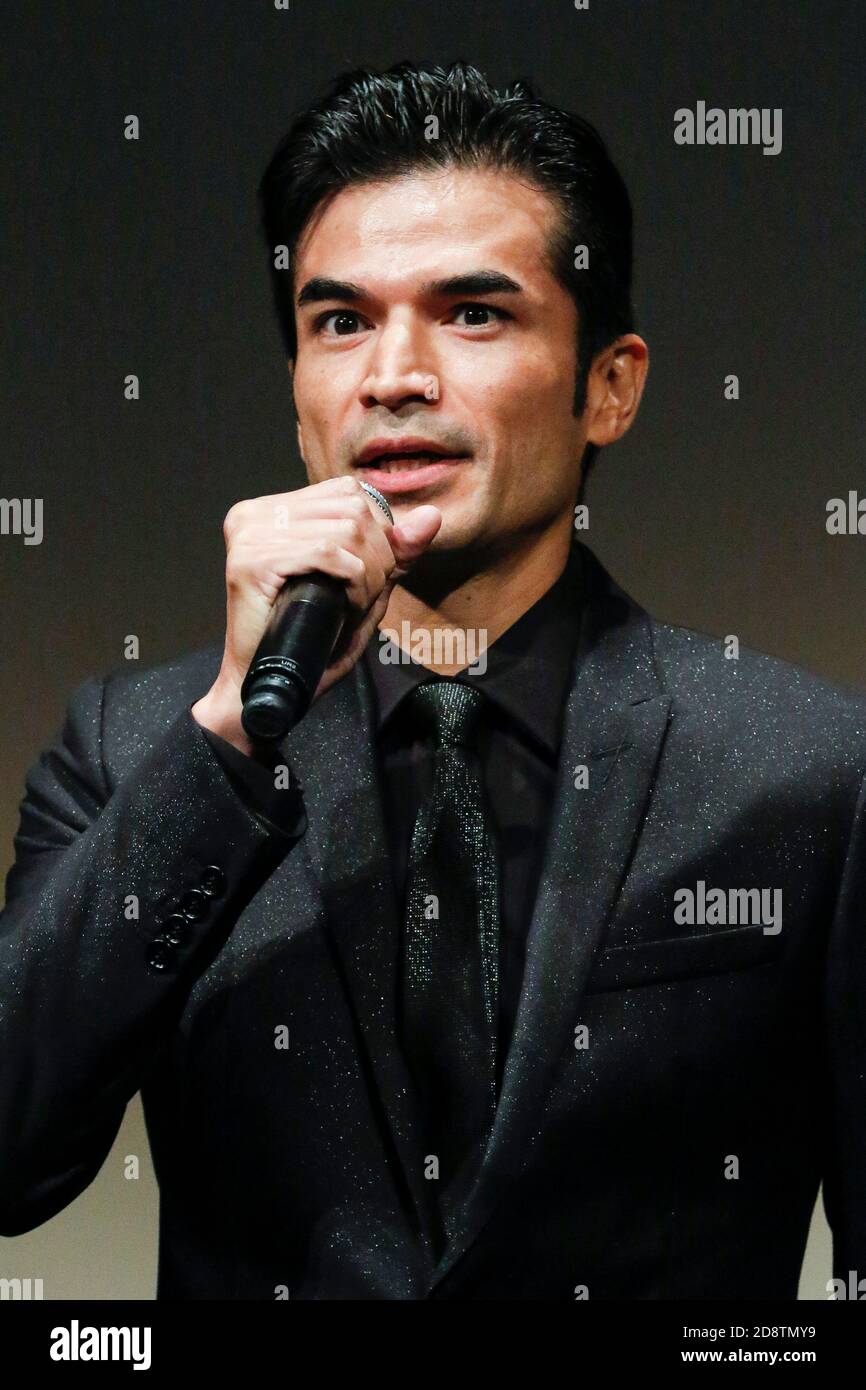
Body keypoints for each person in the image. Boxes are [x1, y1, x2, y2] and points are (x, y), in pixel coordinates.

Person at [1, 61, 865, 1301]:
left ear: (608, 386)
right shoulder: (140, 745)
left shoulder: (808, 775)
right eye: (338, 320)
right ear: (298, 385)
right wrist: (229, 745)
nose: (390, 375)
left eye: (472, 314)